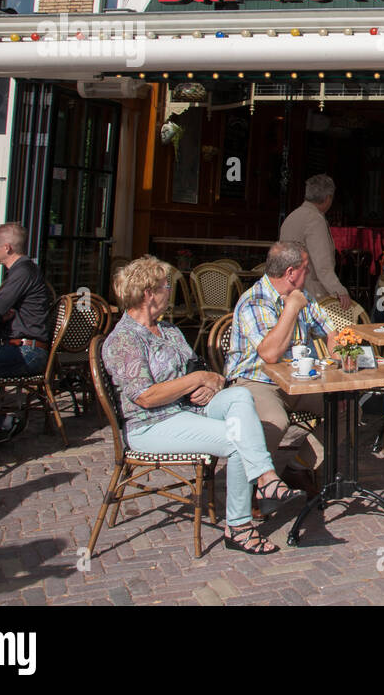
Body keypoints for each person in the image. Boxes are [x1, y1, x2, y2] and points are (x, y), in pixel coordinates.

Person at [103, 256, 301, 554]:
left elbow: (202, 373)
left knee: (240, 396)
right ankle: (239, 525)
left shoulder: (168, 331)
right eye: (165, 285)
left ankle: (266, 478)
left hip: (187, 410)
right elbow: (145, 396)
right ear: (148, 293)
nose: (170, 291)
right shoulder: (124, 340)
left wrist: (209, 385)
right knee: (239, 440)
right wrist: (195, 379)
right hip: (151, 423)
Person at [225, 241, 333, 493]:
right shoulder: (254, 300)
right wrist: (292, 308)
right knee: (274, 421)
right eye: (306, 269)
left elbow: (331, 331)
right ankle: (251, 486)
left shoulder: (304, 295)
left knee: (346, 409)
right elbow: (269, 354)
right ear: (291, 273)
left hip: (299, 380)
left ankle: (299, 466)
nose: (310, 274)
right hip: (257, 380)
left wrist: (338, 354)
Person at [0, 222, 53, 441]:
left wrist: (4, 313)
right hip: (24, 349)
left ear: (7, 247)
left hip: (27, 352)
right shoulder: (25, 270)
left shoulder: (22, 272)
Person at [279, 174, 350, 310]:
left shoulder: (292, 216)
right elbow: (322, 265)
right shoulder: (315, 220)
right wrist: (339, 290)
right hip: (309, 293)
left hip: (288, 288)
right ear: (328, 198)